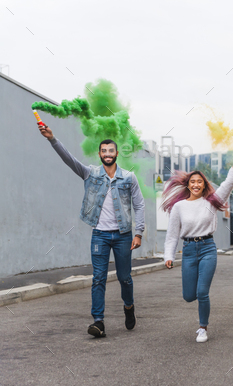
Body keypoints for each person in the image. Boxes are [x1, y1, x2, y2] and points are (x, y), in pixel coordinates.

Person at [38, 123, 145, 338]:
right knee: (98, 278)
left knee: (125, 278)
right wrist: (52, 139)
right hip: (100, 235)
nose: (107, 154)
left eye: (111, 151)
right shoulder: (90, 173)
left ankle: (129, 307)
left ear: (116, 154)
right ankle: (98, 321)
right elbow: (69, 160)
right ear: (99, 154)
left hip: (123, 235)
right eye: (104, 151)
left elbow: (139, 205)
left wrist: (138, 232)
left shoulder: (128, 178)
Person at [162, 146, 233, 343]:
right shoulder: (179, 207)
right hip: (189, 250)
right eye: (193, 182)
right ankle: (200, 319)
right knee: (189, 296)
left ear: (204, 184)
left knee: (202, 292)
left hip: (208, 248)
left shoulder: (211, 202)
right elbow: (172, 235)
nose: (197, 184)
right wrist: (168, 256)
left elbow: (228, 183)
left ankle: (202, 327)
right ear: (188, 185)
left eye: (200, 182)